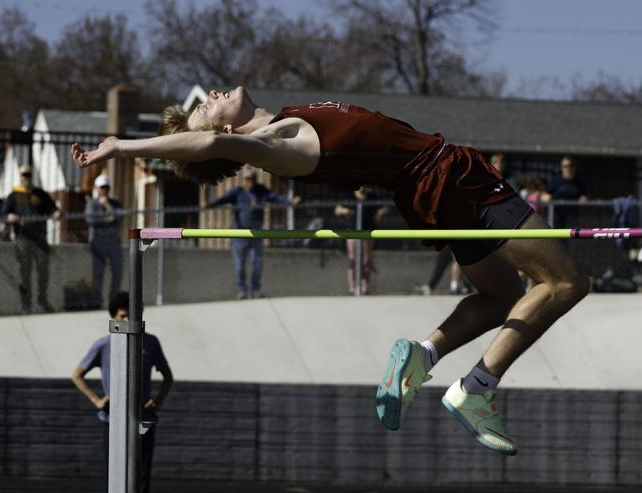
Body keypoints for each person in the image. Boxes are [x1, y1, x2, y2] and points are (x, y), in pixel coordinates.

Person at [71, 87, 590, 455]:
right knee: (565, 281)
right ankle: (478, 387)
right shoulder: (275, 145)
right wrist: (122, 145)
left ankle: (421, 356)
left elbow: (351, 153)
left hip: (433, 184)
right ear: (226, 132)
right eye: (206, 109)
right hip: (451, 178)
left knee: (500, 295)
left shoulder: (288, 124)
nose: (209, 93)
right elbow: (207, 145)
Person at [71, 291, 173, 493]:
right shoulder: (104, 344)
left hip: (143, 419)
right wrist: (97, 400)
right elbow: (77, 375)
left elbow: (167, 376)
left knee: (142, 475)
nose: (127, 320)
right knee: (116, 474)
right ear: (114, 318)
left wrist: (158, 402)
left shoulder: (150, 342)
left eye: (131, 316)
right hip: (113, 420)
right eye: (122, 316)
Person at [207, 168, 295, 299]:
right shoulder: (238, 192)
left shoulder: (261, 191)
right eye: (248, 180)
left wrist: (290, 202)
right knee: (239, 263)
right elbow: (222, 199)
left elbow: (275, 197)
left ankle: (255, 289)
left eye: (253, 179)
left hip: (256, 234)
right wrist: (209, 205)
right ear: (244, 180)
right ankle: (241, 290)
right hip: (239, 234)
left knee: (257, 263)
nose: (251, 183)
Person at [3, 164, 61, 313]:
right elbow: (5, 214)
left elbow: (53, 209)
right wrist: (10, 217)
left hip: (40, 238)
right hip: (23, 239)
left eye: (28, 175)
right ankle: (26, 306)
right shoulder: (14, 195)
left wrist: (56, 213)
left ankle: (42, 302)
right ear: (20, 176)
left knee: (43, 273)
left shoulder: (40, 194)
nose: (26, 178)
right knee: (24, 274)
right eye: (23, 175)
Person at [334, 186, 389, 294]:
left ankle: (365, 287)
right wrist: (344, 211)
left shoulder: (372, 196)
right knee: (352, 259)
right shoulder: (349, 196)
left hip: (368, 232)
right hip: (352, 232)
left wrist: (380, 213)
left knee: (366, 260)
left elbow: (384, 208)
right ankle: (352, 287)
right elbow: (337, 210)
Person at [85, 174, 123, 306]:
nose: (104, 190)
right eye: (102, 187)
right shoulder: (92, 204)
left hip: (114, 242)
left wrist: (108, 207)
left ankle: (113, 300)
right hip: (98, 242)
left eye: (106, 187)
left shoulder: (115, 203)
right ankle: (96, 301)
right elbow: (92, 220)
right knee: (98, 274)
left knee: (118, 272)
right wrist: (107, 218)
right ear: (97, 188)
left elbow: (118, 219)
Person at [545, 157, 588, 228]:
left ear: (574, 167)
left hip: (573, 218)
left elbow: (584, 196)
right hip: (556, 218)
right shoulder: (554, 181)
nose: (568, 168)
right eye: (565, 166)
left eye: (571, 165)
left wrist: (584, 198)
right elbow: (545, 195)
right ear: (562, 168)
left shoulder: (580, 182)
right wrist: (545, 197)